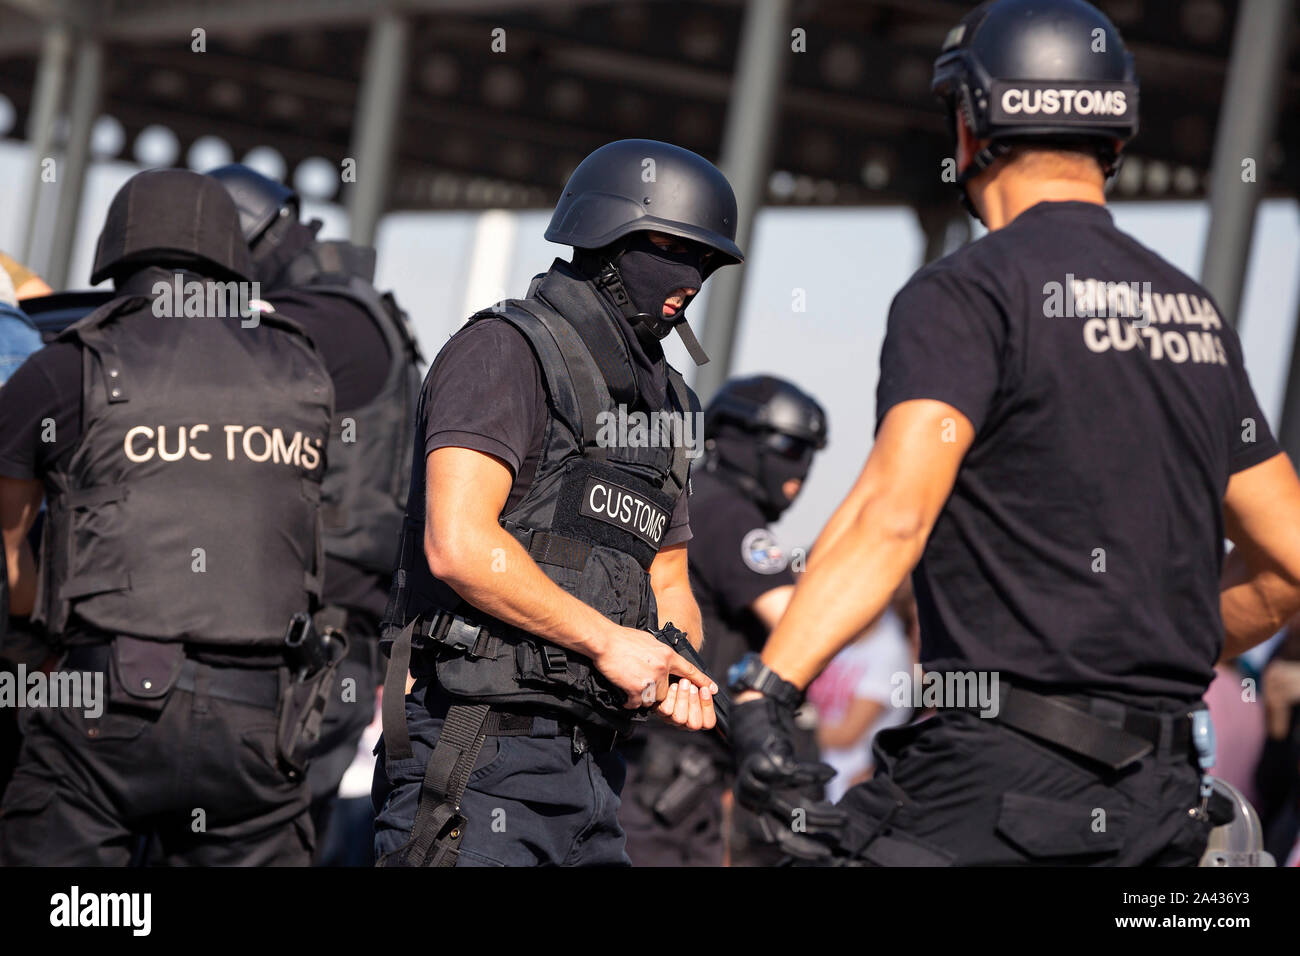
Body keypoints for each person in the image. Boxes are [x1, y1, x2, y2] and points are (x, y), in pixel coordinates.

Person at [728, 0, 1300, 866]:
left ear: (970, 120)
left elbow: (893, 512)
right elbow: (1290, 557)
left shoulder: (967, 292)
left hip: (998, 781)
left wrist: (769, 690)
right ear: (1114, 129)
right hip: (1165, 802)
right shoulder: (1195, 316)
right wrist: (1146, 655)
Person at [372, 138, 739, 867]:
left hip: (596, 773)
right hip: (474, 750)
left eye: (705, 260)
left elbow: (668, 582)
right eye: (671, 249)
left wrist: (672, 660)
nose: (691, 278)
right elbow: (460, 542)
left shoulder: (668, 406)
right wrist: (608, 642)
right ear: (604, 235)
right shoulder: (504, 352)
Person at [0, 169, 337, 865]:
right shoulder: (301, 370)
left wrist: (36, 653)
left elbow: (8, 555)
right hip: (260, 723)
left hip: (103, 713)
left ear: (115, 254)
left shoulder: (69, 365)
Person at [209, 164, 423, 858]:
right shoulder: (345, 311)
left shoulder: (320, 320)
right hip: (324, 649)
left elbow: (180, 366)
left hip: (303, 656)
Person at [618, 374, 828, 866]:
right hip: (667, 792)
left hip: (665, 779)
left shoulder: (696, 499)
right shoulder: (728, 511)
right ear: (741, 439)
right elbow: (799, 621)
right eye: (788, 447)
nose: (800, 469)